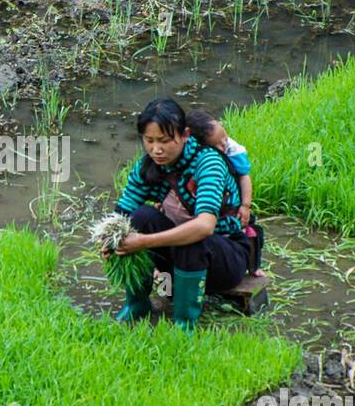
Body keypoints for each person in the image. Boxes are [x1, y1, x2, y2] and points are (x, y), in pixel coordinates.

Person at [108, 97, 253, 331]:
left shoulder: (208, 163)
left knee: (192, 238)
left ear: (185, 135)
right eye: (149, 140)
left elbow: (205, 226)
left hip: (225, 254)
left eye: (165, 141)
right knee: (139, 217)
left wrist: (143, 242)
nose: (157, 149)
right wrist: (110, 242)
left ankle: (185, 322)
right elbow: (121, 213)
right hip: (179, 255)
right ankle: (137, 304)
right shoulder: (148, 166)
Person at [168, 108, 264, 277]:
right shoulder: (191, 161)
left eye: (225, 137)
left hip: (232, 207)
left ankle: (255, 268)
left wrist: (245, 205)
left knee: (251, 231)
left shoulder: (232, 150)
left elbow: (244, 176)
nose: (225, 144)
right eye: (219, 144)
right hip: (210, 212)